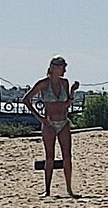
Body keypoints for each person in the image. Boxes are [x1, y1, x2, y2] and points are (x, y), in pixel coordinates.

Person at [23, 56, 80, 197]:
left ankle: (69, 190)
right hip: (49, 123)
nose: (64, 70)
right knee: (50, 157)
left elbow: (66, 104)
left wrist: (72, 92)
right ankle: (47, 190)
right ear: (54, 68)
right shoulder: (43, 84)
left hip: (63, 122)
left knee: (67, 156)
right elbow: (26, 99)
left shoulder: (64, 83)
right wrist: (40, 118)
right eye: (62, 67)